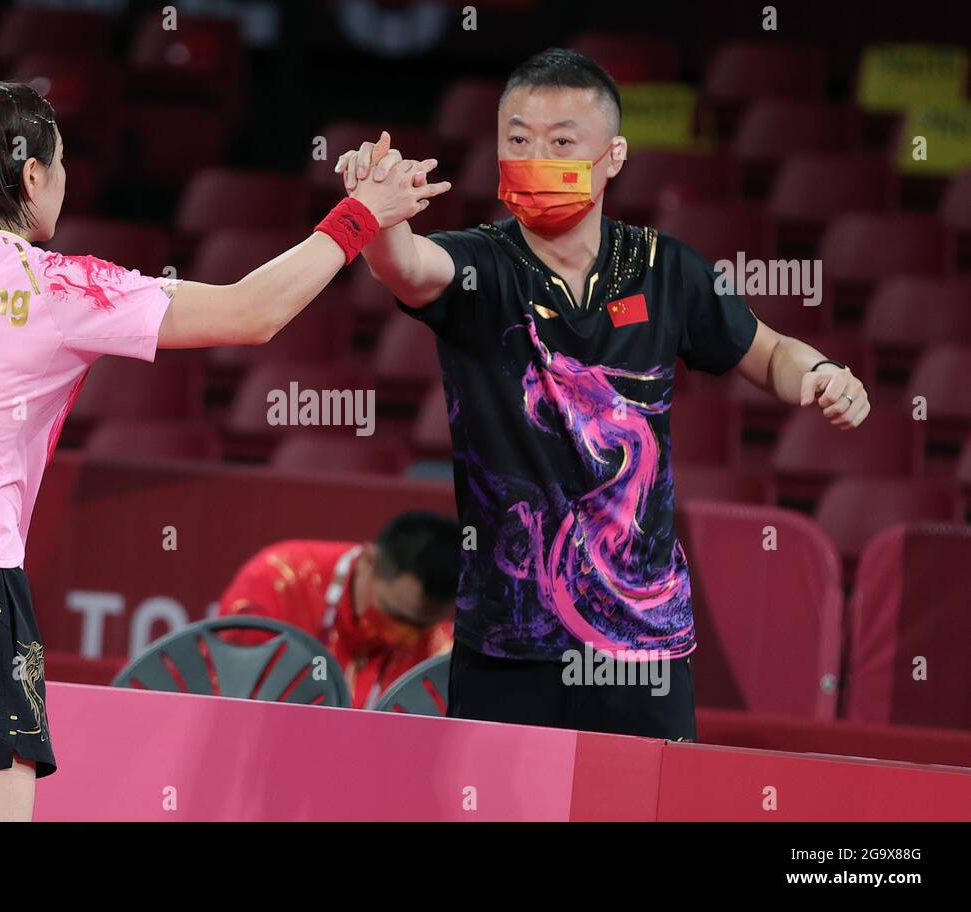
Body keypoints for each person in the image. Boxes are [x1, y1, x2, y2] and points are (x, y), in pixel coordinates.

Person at [0, 79, 449, 821]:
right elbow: (252, 311)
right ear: (31, 176)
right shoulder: (60, 289)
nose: (65, 179)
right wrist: (359, 217)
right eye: (61, 163)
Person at [334, 49, 871, 740]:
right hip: (508, 638)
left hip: (642, 643)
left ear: (613, 157)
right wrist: (378, 215)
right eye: (518, 140)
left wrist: (821, 371)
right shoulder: (479, 265)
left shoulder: (664, 268)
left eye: (562, 142)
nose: (535, 158)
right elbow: (406, 267)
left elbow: (767, 353)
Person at [216, 511, 459, 708]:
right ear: (368, 561)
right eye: (396, 616)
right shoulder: (276, 582)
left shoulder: (440, 646)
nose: (404, 636)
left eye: (423, 625)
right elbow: (228, 694)